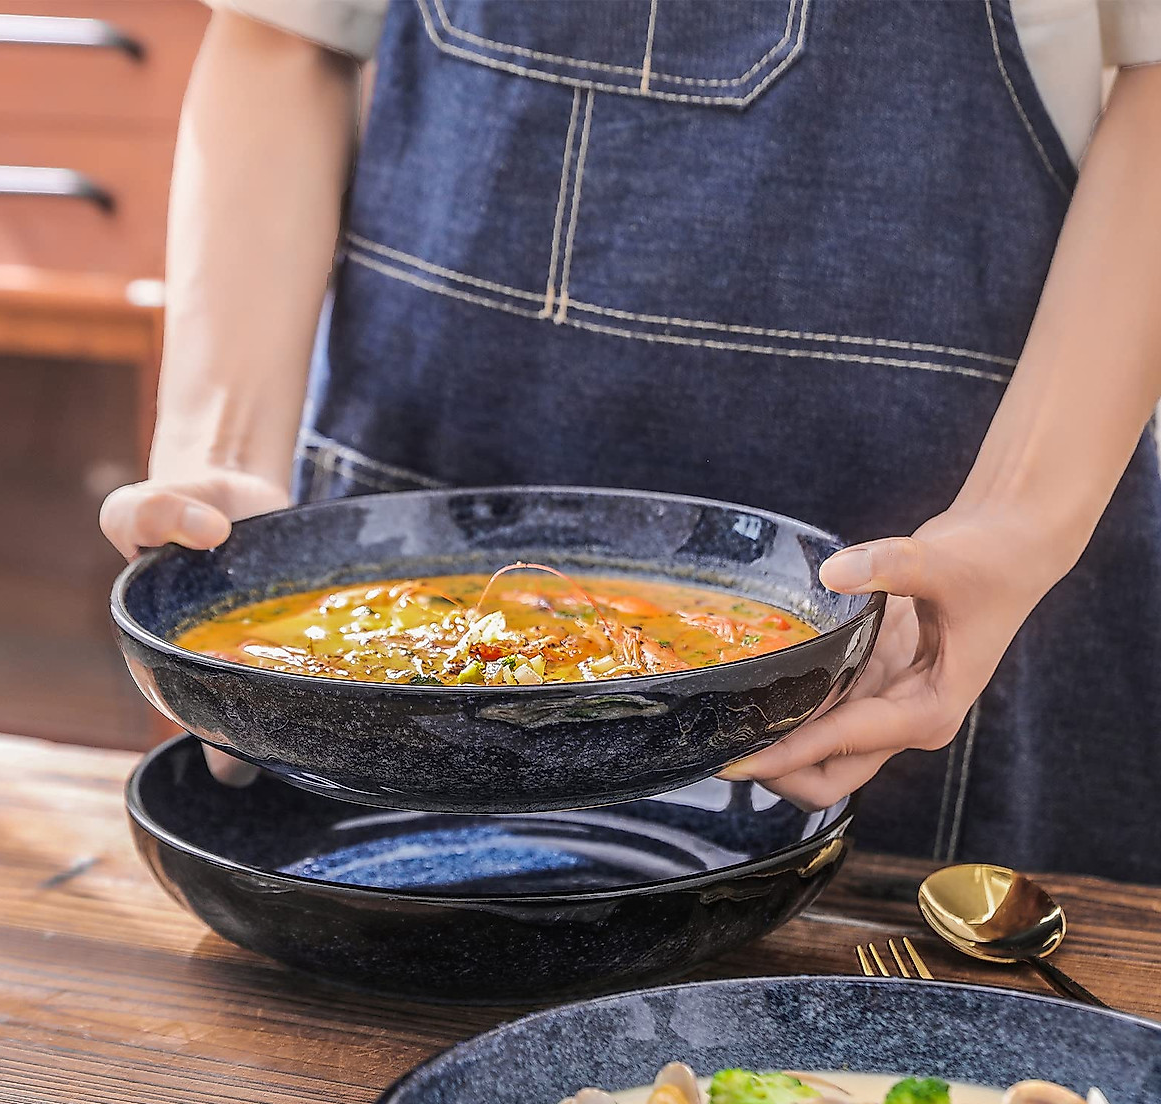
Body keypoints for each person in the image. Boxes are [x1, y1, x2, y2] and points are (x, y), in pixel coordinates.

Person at [101, 0, 1161, 881]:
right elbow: (285, 34)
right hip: (395, 568)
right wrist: (229, 463)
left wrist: (1017, 520)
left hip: (916, 605)